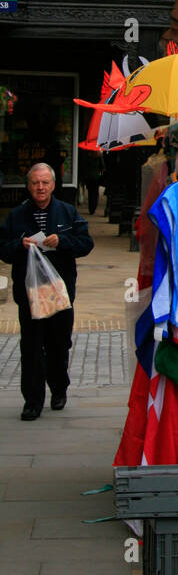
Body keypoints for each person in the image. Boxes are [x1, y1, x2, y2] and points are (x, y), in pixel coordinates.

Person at [0, 163, 94, 421]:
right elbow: (3, 248)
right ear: (28, 186)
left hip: (60, 293)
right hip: (29, 293)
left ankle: (59, 388)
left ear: (53, 185)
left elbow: (86, 244)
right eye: (35, 183)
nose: (40, 188)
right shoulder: (16, 216)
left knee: (59, 344)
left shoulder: (67, 212)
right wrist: (20, 245)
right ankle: (32, 401)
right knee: (30, 346)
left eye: (45, 183)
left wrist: (62, 241)